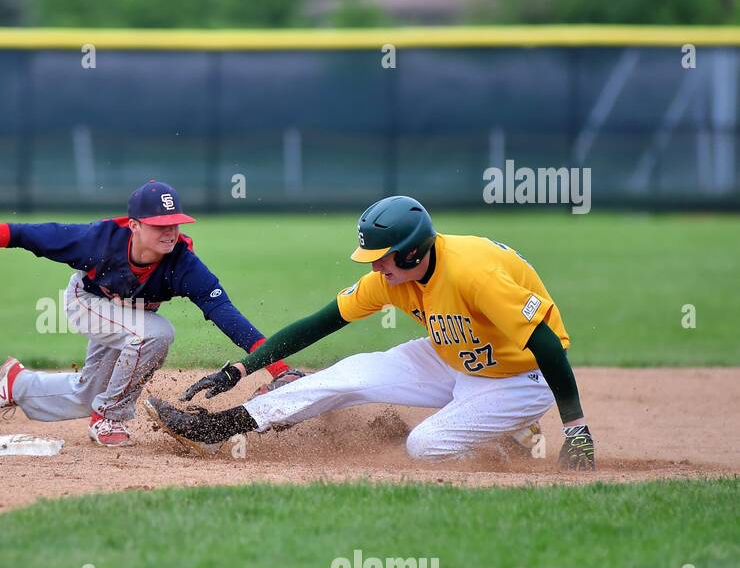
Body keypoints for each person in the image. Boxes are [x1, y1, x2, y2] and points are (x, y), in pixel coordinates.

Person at [143, 195, 596, 469]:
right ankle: (220, 427)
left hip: (522, 375)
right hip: (456, 353)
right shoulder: (391, 278)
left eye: (382, 256)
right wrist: (241, 367)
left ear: (413, 251)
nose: (374, 265)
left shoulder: (473, 274)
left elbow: (546, 342)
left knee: (424, 446)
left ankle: (509, 430)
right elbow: (318, 324)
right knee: (353, 372)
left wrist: (576, 429)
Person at [0, 179, 299, 446]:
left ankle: (16, 384)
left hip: (128, 316)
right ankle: (109, 416)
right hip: (86, 303)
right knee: (155, 333)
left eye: (174, 224)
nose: (170, 232)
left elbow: (223, 311)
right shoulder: (97, 240)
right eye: (159, 226)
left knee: (86, 394)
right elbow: (25, 234)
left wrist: (278, 368)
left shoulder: (184, 263)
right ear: (135, 226)